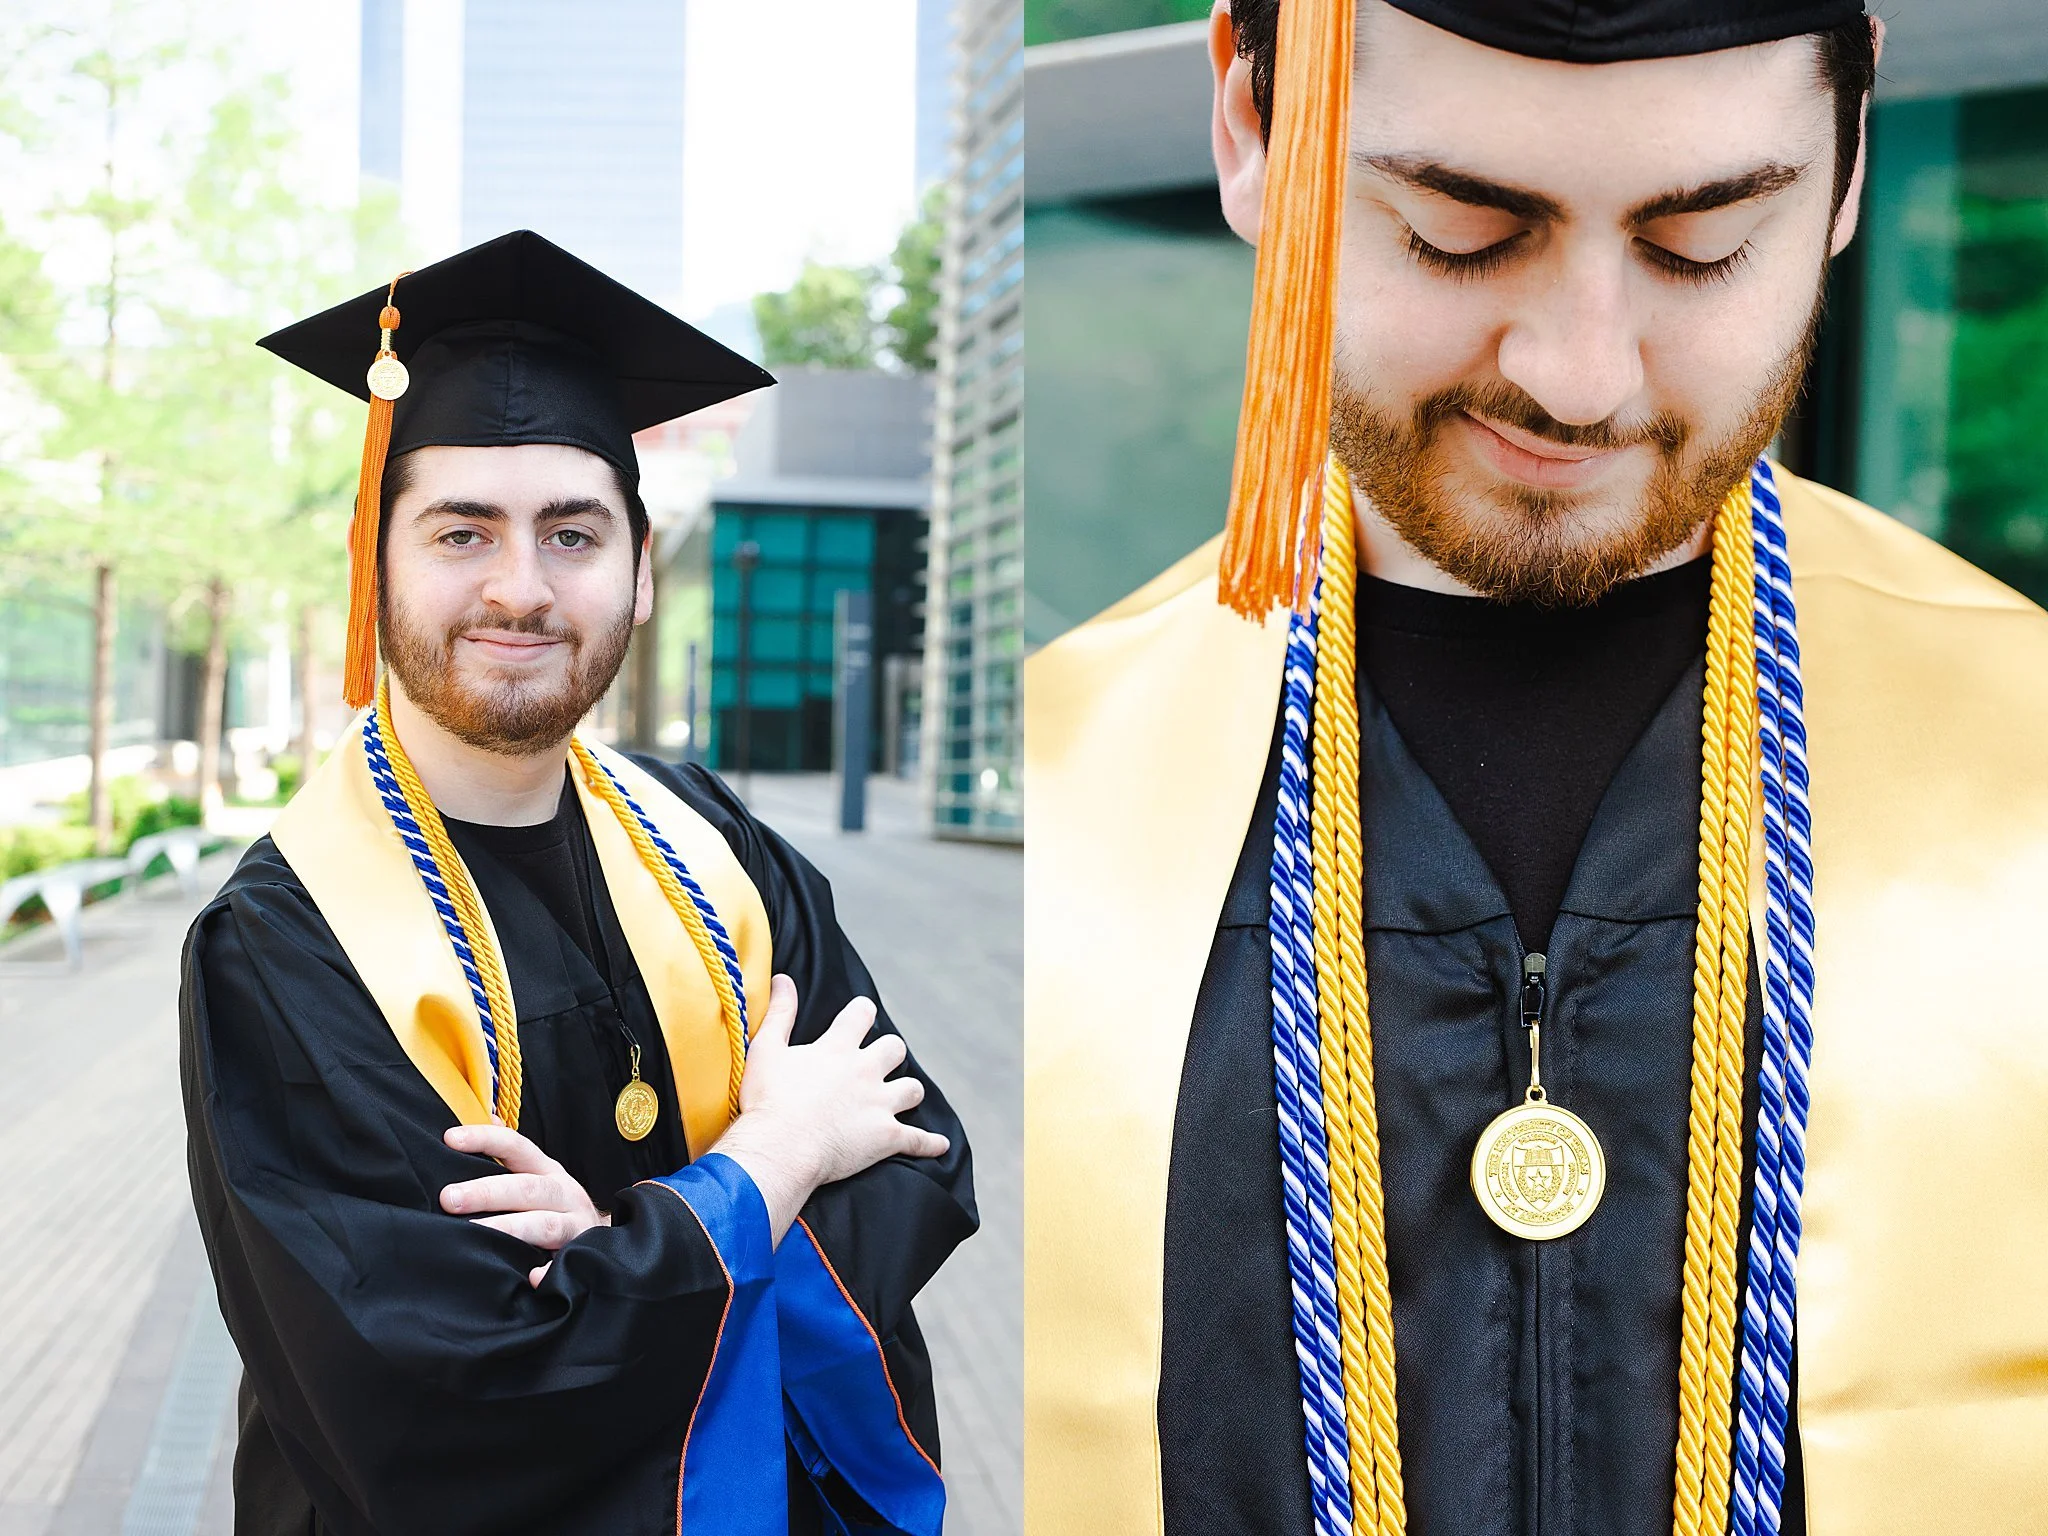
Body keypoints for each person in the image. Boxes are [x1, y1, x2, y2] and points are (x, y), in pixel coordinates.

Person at [1024, 3, 2048, 1534]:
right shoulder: (1064, 791)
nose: (1579, 376)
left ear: (1846, 169)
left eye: (1705, 243)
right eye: (1456, 231)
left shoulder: (2019, 757)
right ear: (1251, 130)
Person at [180, 231, 975, 1536]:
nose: (518, 586)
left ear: (642, 569)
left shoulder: (721, 844)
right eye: (460, 531)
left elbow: (918, 1163)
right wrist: (769, 1160)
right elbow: (445, 1390)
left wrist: (613, 1242)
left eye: (572, 533)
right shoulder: (286, 942)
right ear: (374, 561)